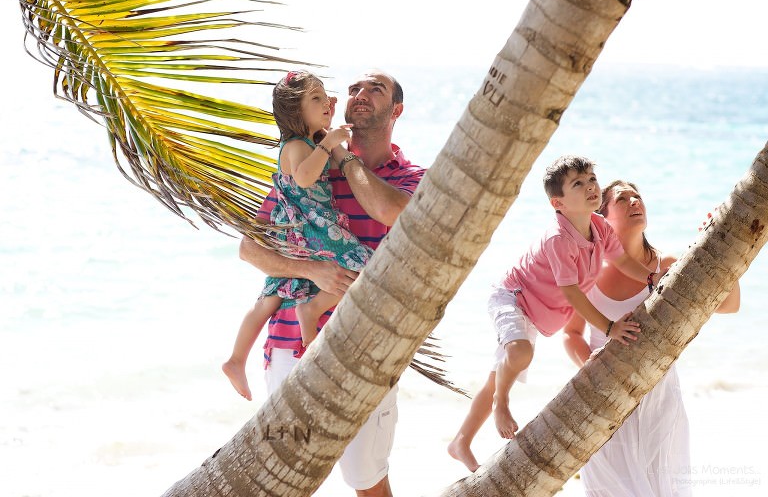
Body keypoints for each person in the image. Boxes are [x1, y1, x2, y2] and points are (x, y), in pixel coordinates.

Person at [239, 69, 425, 497]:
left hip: (366, 350)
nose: (359, 94)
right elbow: (250, 249)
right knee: (281, 481)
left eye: (375, 89)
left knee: (366, 482)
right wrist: (309, 270)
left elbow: (389, 211)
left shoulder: (412, 178)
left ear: (396, 110)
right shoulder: (307, 170)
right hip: (291, 344)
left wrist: (344, 157)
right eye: (354, 88)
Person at [448, 155, 664, 473]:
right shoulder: (559, 239)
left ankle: (461, 442)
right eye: (579, 183)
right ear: (557, 203)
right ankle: (502, 404)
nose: (591, 186)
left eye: (592, 179)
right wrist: (609, 327)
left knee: (500, 372)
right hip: (513, 299)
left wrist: (652, 276)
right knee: (519, 353)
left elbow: (622, 263)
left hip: (535, 312)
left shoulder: (600, 227)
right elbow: (573, 292)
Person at [562, 180, 740, 496]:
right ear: (601, 218)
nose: (634, 202)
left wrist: (725, 252)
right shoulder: (588, 272)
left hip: (660, 403)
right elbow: (571, 334)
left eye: (637, 197)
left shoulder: (667, 267)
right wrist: (592, 369)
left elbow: (729, 305)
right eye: (622, 198)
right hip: (605, 405)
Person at [222, 70, 375, 401]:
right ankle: (312, 311)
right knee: (363, 264)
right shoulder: (295, 146)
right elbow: (305, 178)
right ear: (295, 112)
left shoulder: (307, 142)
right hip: (308, 228)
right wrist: (329, 143)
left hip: (297, 229)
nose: (325, 103)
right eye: (315, 99)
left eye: (325, 96)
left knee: (271, 298)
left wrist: (325, 130)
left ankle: (239, 359)